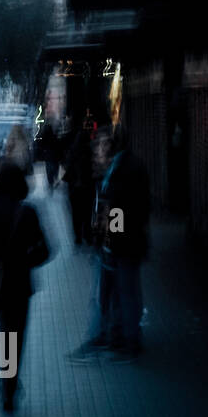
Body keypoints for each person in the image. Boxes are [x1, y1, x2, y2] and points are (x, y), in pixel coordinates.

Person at [0, 162, 51, 411]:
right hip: (18, 284)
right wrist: (23, 262)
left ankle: (4, 376)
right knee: (15, 337)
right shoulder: (27, 211)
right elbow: (45, 250)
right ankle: (10, 387)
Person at [72, 125, 149, 363]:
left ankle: (126, 343)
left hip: (121, 245)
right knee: (120, 292)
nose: (98, 150)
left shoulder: (122, 171)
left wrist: (110, 243)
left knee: (124, 292)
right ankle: (115, 337)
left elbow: (119, 209)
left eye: (102, 145)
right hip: (122, 243)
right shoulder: (121, 168)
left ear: (112, 146)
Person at [61, 115, 94, 246]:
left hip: (74, 189)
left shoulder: (73, 152)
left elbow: (67, 168)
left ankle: (78, 235)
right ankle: (87, 233)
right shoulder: (89, 153)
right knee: (87, 212)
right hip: (87, 187)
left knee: (76, 213)